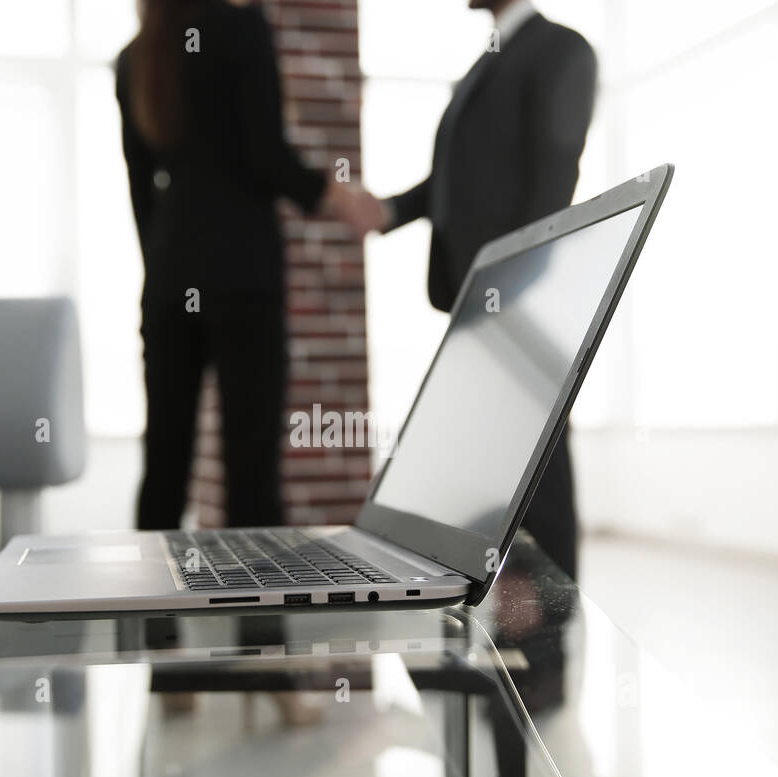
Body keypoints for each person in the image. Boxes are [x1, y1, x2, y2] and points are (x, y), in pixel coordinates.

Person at [358, 0, 597, 582]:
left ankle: (555, 626)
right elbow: (455, 175)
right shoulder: (489, 59)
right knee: (502, 460)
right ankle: (500, 615)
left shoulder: (558, 48)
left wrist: (512, 290)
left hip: (511, 298)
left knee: (536, 464)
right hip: (480, 295)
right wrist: (386, 210)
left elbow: (552, 180)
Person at [116, 0, 372, 533]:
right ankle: (259, 619)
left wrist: (166, 271)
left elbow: (142, 193)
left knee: (163, 467)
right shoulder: (241, 28)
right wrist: (333, 193)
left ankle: (147, 618)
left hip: (169, 281)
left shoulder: (136, 56)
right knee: (252, 475)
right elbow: (265, 154)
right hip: (242, 278)